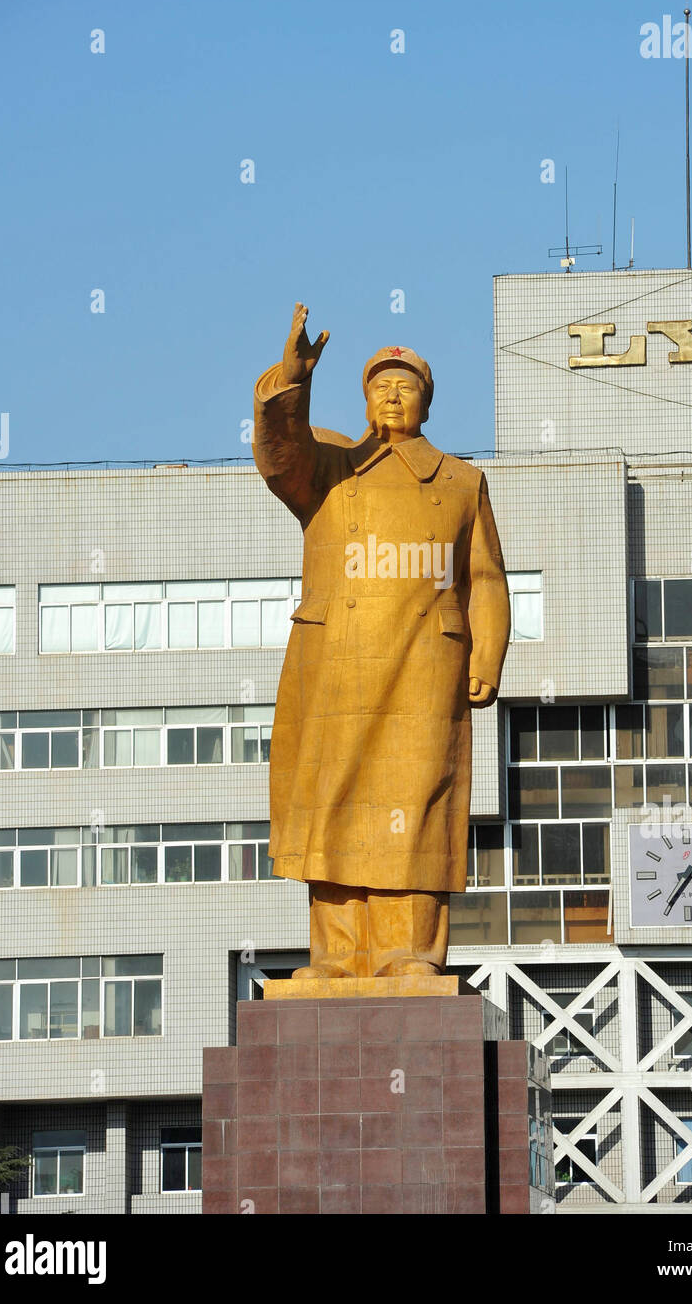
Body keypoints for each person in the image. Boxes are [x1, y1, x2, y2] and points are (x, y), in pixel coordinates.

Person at [253, 303, 510, 978]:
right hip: (337, 660)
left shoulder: (460, 481)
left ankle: (407, 953)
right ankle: (336, 956)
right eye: (379, 385)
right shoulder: (332, 467)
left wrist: (485, 654)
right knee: (331, 802)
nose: (392, 394)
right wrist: (292, 378)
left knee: (415, 802)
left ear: (426, 402)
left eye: (407, 386)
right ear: (363, 400)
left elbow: (482, 575)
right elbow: (280, 452)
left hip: (425, 665)